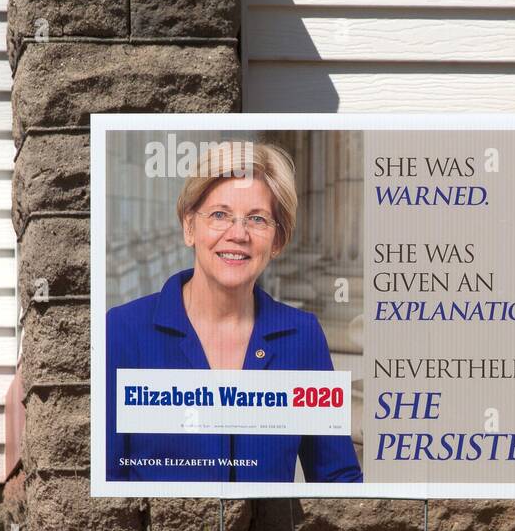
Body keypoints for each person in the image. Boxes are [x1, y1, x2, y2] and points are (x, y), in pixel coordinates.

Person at [106, 141, 362, 483]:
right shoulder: (123, 331)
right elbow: (105, 479)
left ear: (277, 241)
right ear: (189, 227)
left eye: (257, 219)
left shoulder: (302, 337)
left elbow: (336, 477)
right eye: (219, 215)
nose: (237, 234)